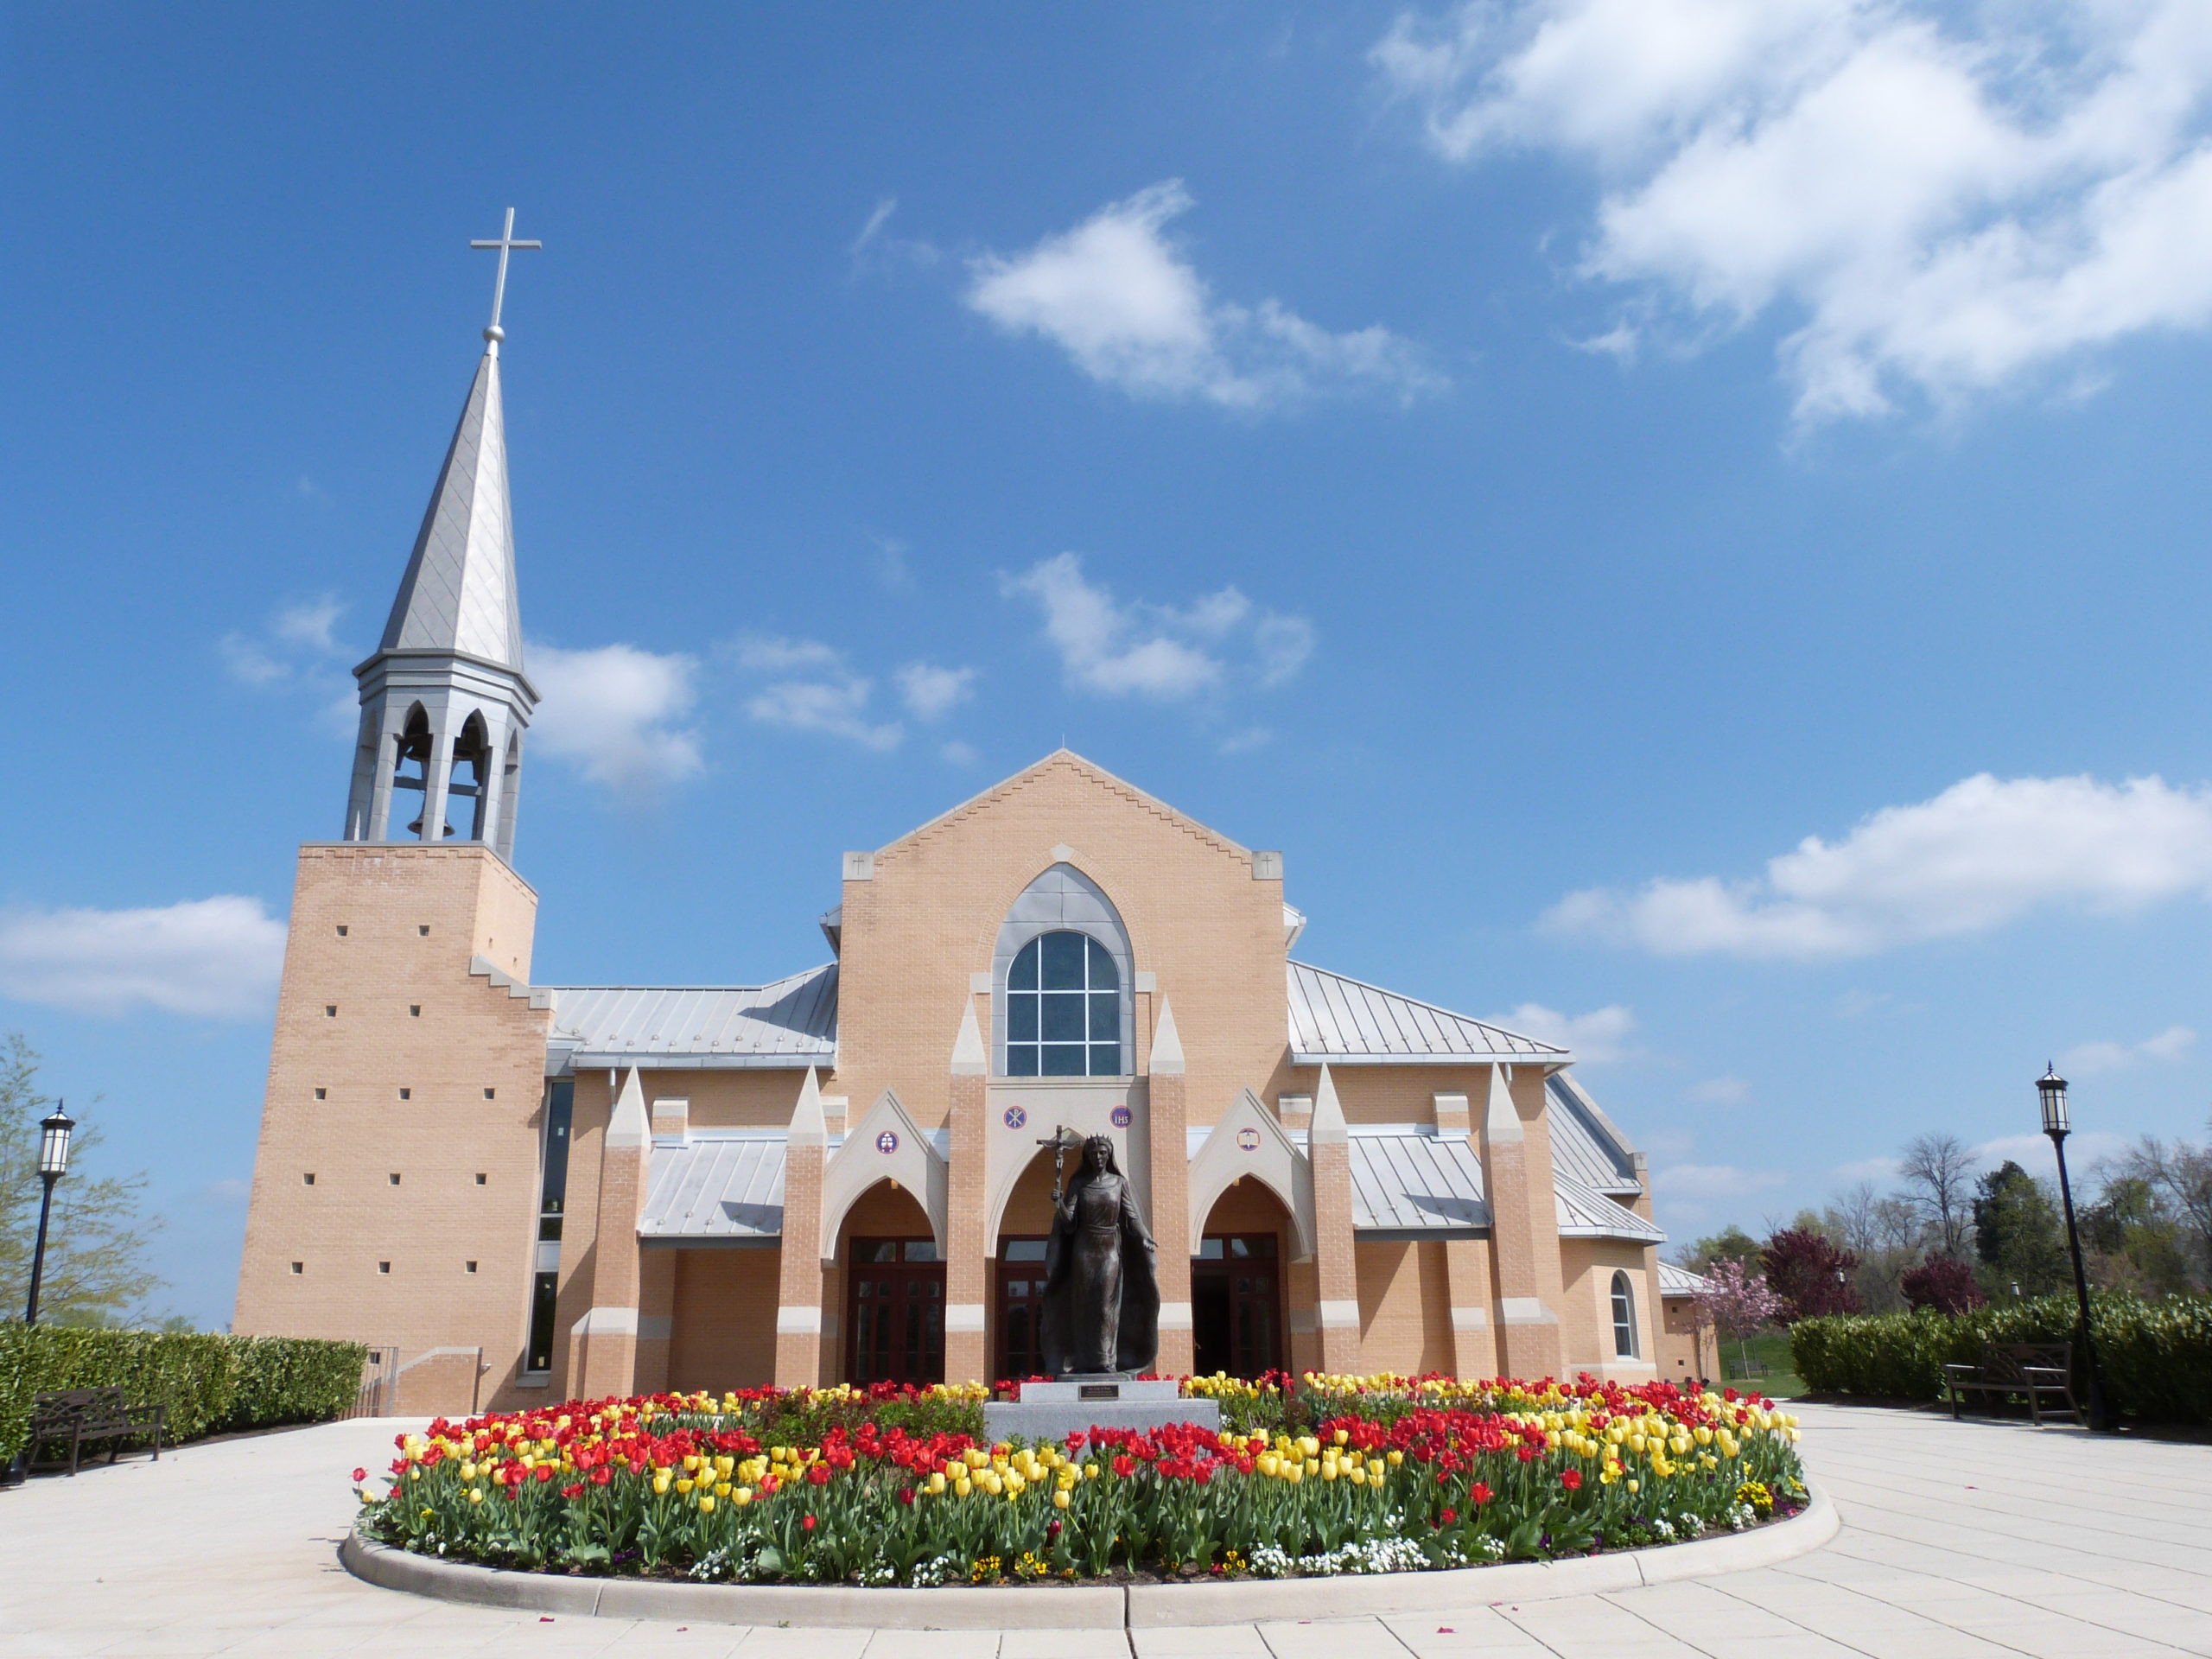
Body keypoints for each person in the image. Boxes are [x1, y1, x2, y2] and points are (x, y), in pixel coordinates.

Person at [1038, 1135, 1160, 1376]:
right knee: (1084, 1306)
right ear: (1087, 1156)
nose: (1098, 1157)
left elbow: (1131, 1216)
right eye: (1093, 1153)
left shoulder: (1118, 1183)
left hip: (1109, 1250)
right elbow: (1070, 1223)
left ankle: (1106, 1360)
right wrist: (1059, 1205)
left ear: (1109, 1155)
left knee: (1106, 1305)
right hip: (1084, 1250)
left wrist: (1144, 1236)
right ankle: (1084, 1361)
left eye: (1103, 1153)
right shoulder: (1079, 1185)